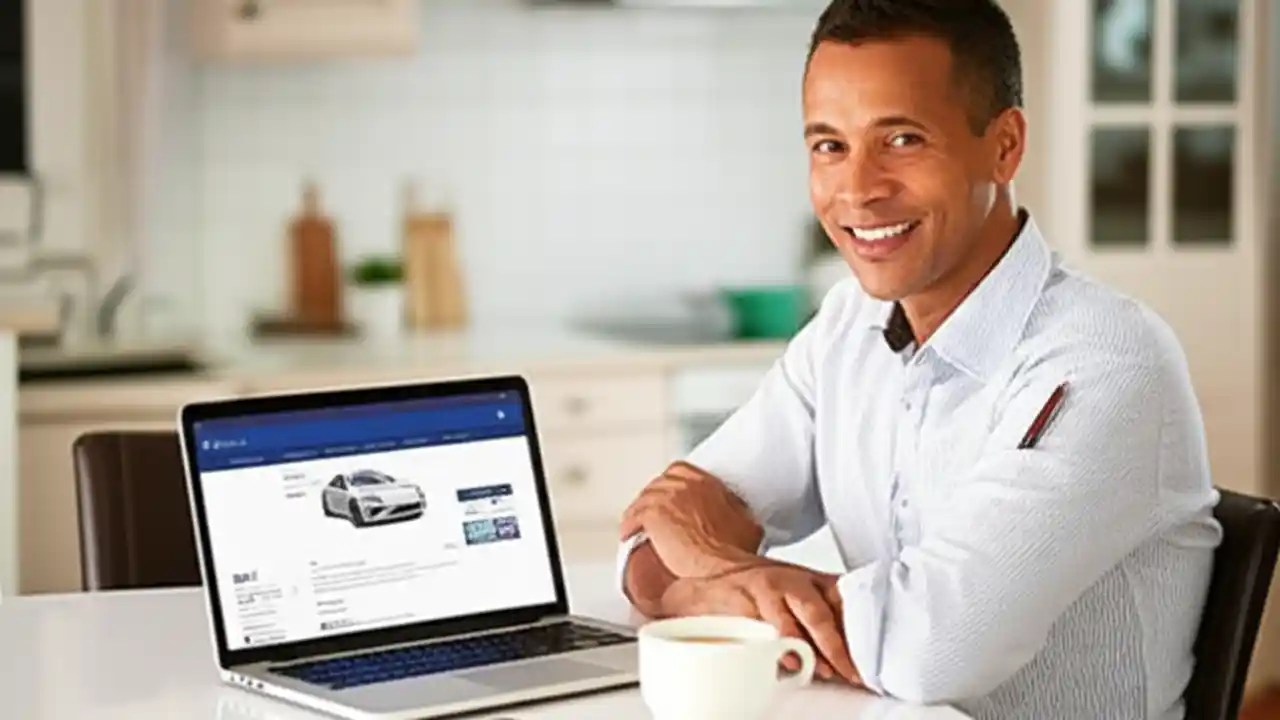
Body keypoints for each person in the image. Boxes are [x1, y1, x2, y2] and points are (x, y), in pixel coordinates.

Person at [615, 1, 1221, 718]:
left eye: (901, 139)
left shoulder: (1103, 362)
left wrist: (712, 575)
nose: (858, 190)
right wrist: (710, 574)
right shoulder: (849, 324)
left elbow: (928, 649)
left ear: (1004, 146)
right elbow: (649, 543)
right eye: (829, 146)